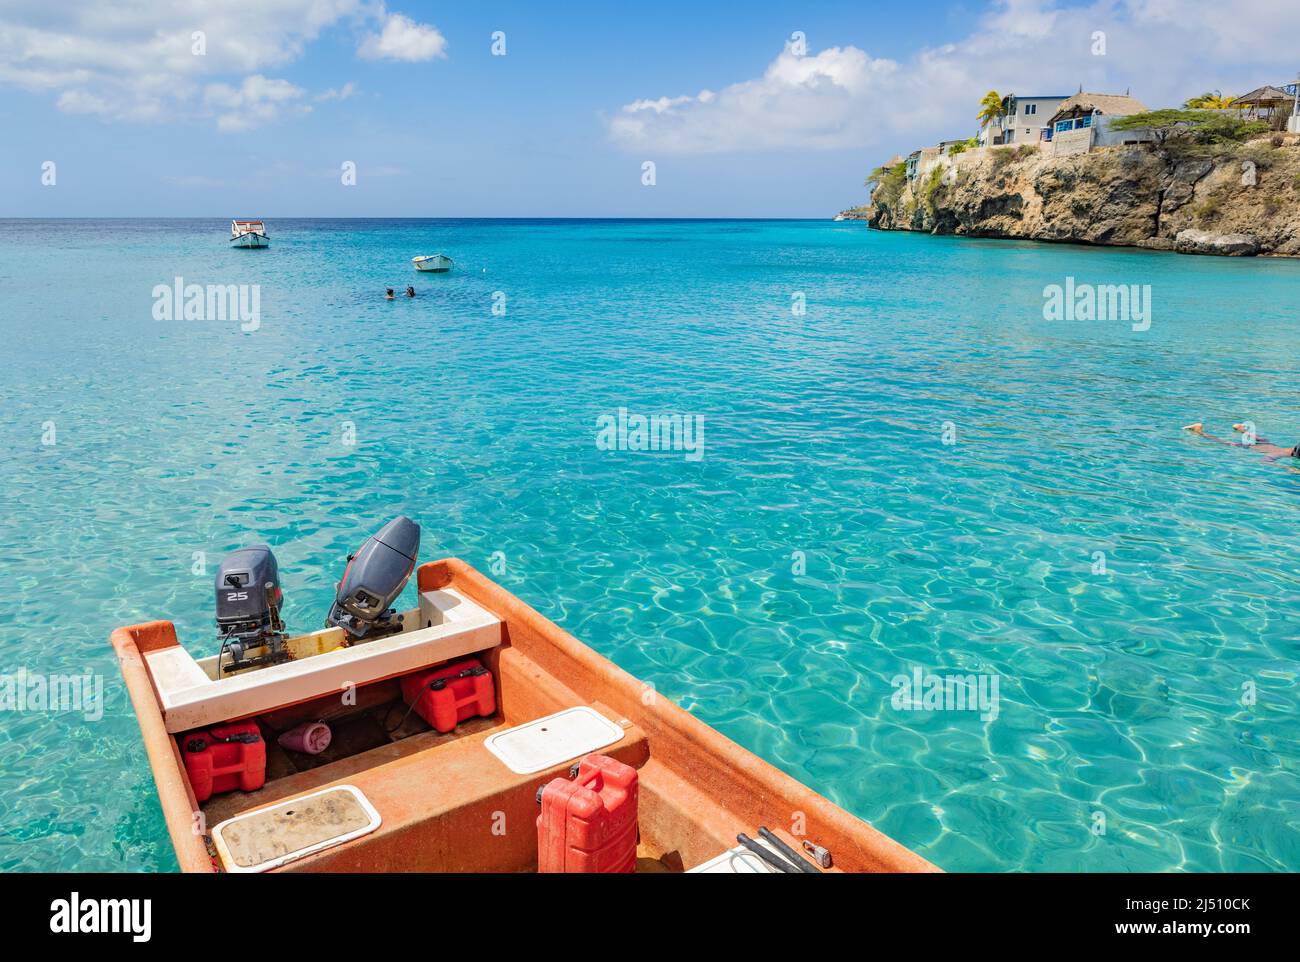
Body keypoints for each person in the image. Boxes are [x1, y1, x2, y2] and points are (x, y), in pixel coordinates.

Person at [1184, 422, 1300, 463]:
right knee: (1224, 443)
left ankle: (1240, 429)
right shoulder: (1281, 454)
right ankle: (1199, 431)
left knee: (1258, 439)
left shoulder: (1289, 450)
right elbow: (1265, 460)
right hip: (1250, 447)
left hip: (1264, 444)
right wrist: (1284, 467)